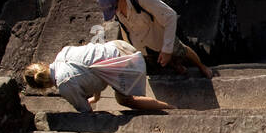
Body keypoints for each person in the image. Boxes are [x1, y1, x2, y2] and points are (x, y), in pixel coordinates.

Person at [95, 0, 217, 79]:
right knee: (159, 61)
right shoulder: (114, 4)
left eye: (115, 8)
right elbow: (124, 27)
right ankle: (177, 67)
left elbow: (170, 16)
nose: (115, 11)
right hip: (140, 41)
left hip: (157, 33)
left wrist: (166, 50)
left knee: (181, 50)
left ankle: (202, 66)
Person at [23, 39, 170, 113]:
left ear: (43, 87)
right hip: (121, 46)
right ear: (42, 65)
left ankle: (170, 109)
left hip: (126, 64)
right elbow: (92, 67)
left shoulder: (64, 85)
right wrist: (96, 98)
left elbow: (86, 112)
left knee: (124, 100)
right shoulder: (63, 53)